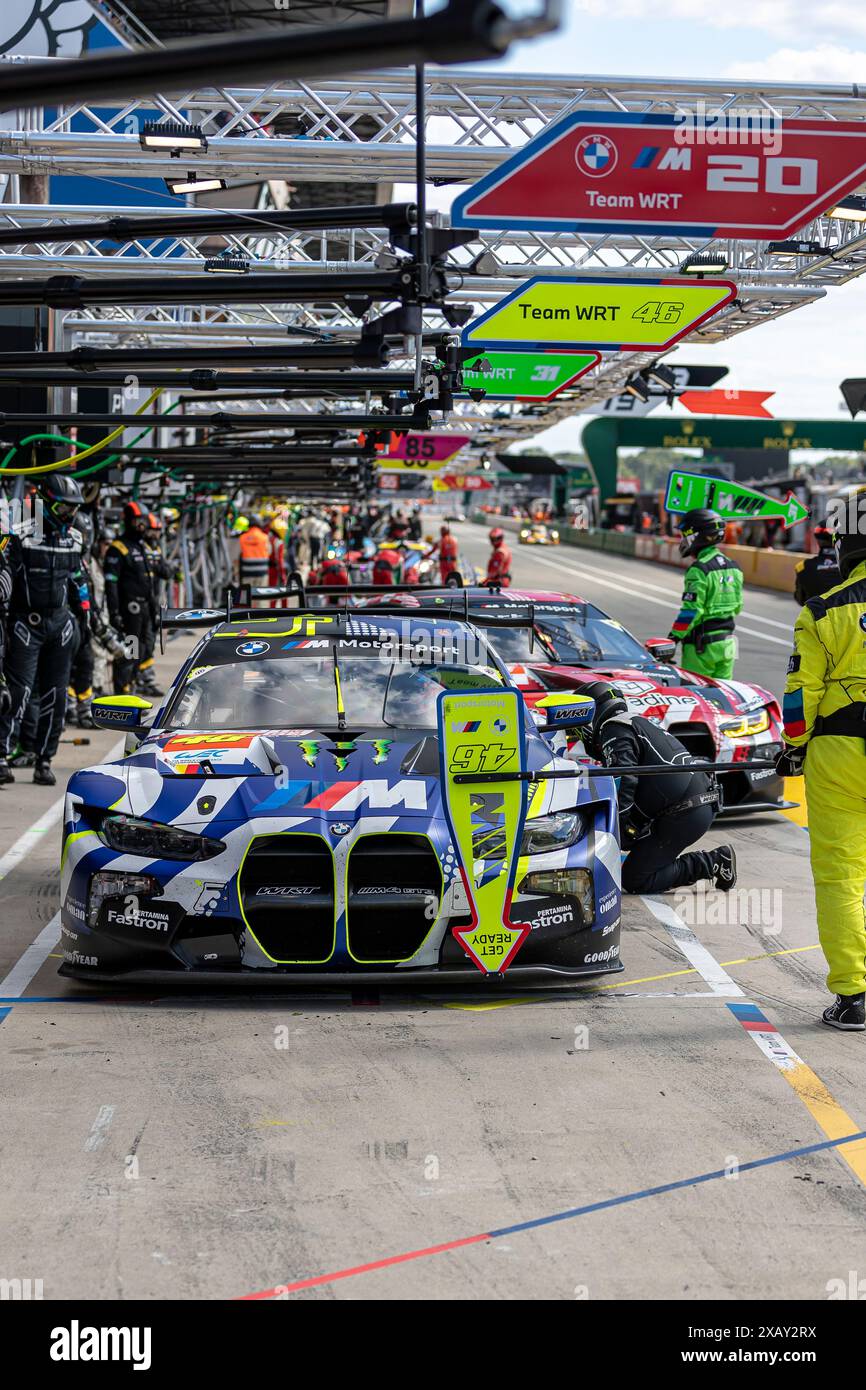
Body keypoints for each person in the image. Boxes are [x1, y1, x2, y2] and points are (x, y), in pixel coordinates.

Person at [777, 526, 866, 1030]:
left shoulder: (823, 609)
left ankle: (854, 997)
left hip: (840, 754)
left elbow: (799, 694)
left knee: (841, 877)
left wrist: (793, 749)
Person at [580, 681, 737, 895]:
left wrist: (618, 827)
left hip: (685, 811)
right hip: (691, 805)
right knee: (630, 849)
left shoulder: (613, 728)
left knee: (635, 878)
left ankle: (713, 862)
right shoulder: (632, 722)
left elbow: (623, 778)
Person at [0, 475, 90, 786]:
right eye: (64, 508)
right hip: (27, 623)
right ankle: (1, 756)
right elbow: (5, 575)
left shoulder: (76, 539)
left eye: (73, 509)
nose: (69, 515)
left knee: (57, 696)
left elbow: (79, 581)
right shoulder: (20, 535)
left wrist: (87, 618)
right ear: (46, 503)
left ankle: (44, 760)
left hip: (61, 625)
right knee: (18, 693)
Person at [668, 509, 743, 679]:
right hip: (727, 644)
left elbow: (692, 611)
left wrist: (673, 638)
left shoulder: (699, 569)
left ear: (696, 536)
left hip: (701, 649)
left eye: (685, 534)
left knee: (697, 697)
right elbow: (738, 607)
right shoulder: (734, 567)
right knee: (725, 699)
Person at [104, 501, 156, 694]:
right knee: (129, 652)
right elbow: (111, 584)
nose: (141, 526)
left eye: (143, 521)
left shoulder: (140, 547)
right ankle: (123, 691)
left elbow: (147, 582)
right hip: (129, 612)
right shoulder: (118, 548)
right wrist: (114, 612)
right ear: (128, 521)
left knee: (140, 652)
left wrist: (153, 610)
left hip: (143, 612)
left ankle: (132, 685)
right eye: (137, 521)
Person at [793, 523, 840, 606]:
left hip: (817, 616)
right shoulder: (851, 566)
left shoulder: (802, 567)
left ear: (818, 541)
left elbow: (800, 599)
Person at [237, 513, 270, 594]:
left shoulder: (242, 538)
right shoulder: (265, 537)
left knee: (248, 598)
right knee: (261, 598)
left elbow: (238, 556)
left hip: (247, 573)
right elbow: (269, 552)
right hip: (262, 573)